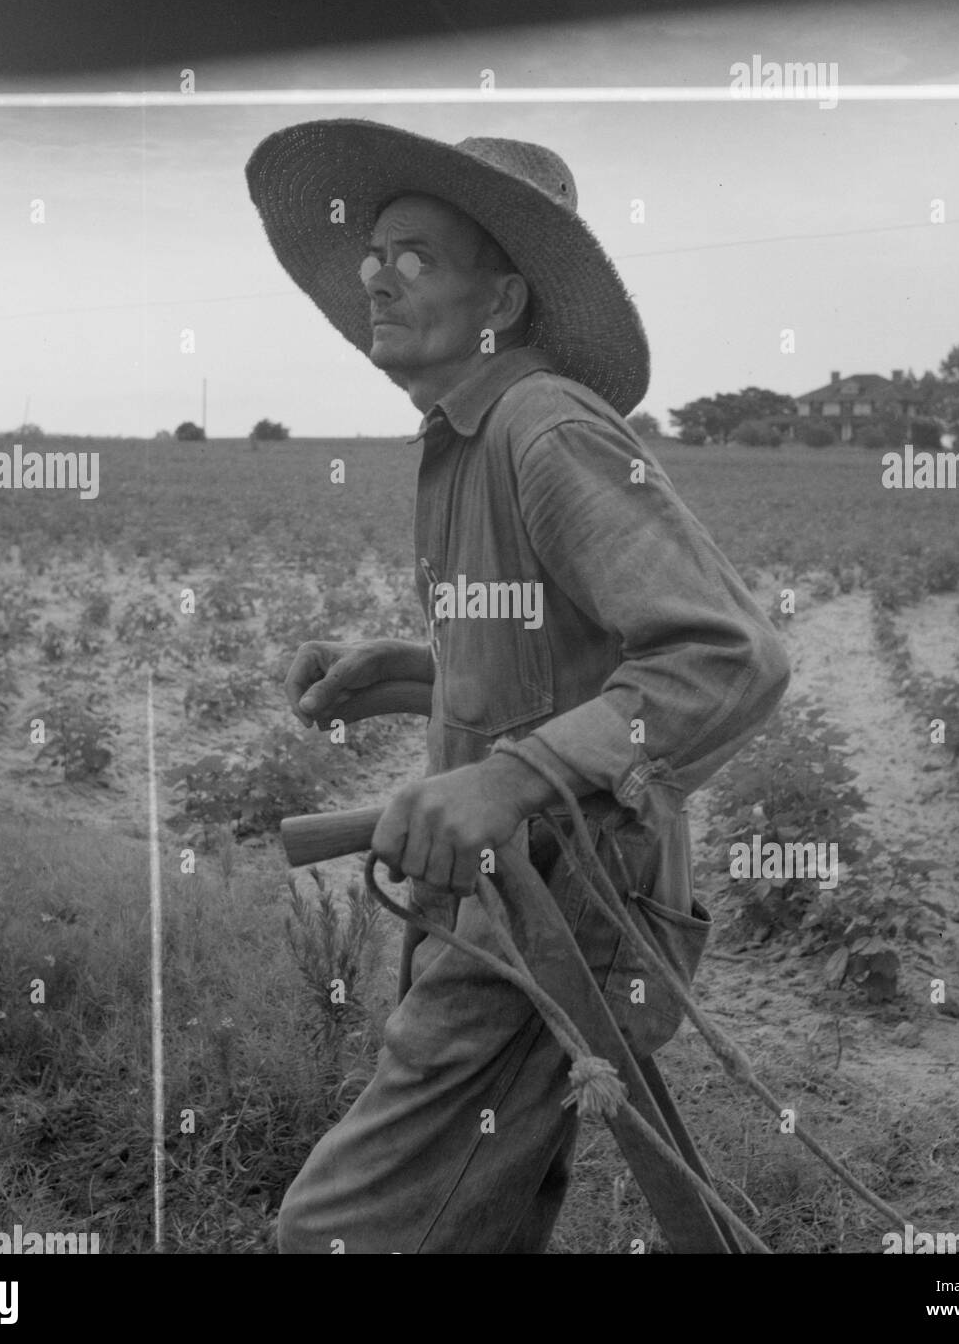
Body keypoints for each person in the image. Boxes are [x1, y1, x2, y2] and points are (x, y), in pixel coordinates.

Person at [246, 121, 790, 1253]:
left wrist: (519, 776)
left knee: (335, 1235)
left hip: (565, 906)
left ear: (499, 295)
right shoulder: (464, 435)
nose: (375, 275)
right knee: (478, 1216)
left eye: (416, 256)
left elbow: (727, 656)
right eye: (373, 254)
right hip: (513, 896)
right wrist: (409, 676)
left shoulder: (542, 430)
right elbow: (560, 666)